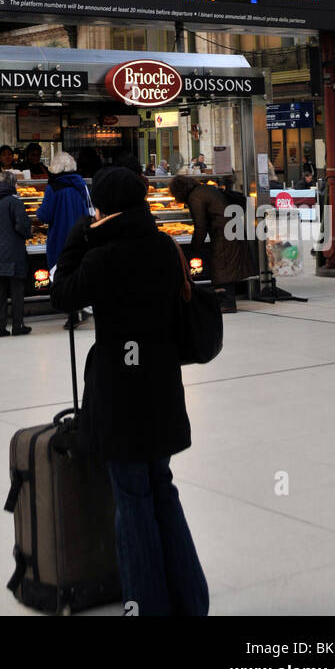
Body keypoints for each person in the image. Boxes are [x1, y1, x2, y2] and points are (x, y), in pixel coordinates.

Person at [50, 167, 208, 617]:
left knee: (132, 499)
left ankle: (145, 604)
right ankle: (191, 601)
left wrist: (80, 237)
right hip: (161, 383)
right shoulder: (163, 245)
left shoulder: (104, 255)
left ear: (101, 206)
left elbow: (62, 294)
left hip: (120, 392)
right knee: (162, 487)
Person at [170, 174, 249, 313]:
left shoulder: (195, 197)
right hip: (231, 229)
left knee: (222, 265)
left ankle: (227, 302)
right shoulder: (204, 189)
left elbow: (200, 225)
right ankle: (223, 300)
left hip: (224, 232)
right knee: (224, 264)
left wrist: (194, 248)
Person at [36, 152, 94, 330]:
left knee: (60, 274)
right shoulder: (81, 184)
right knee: (77, 273)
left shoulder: (54, 187)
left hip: (60, 237)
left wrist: (37, 213)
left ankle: (72, 313)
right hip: (81, 235)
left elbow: (45, 215)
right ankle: (81, 309)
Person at [0, 172, 32, 337]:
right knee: (17, 289)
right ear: (12, 184)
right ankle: (18, 325)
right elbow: (23, 227)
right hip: (14, 252)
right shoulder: (14, 202)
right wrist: (28, 232)